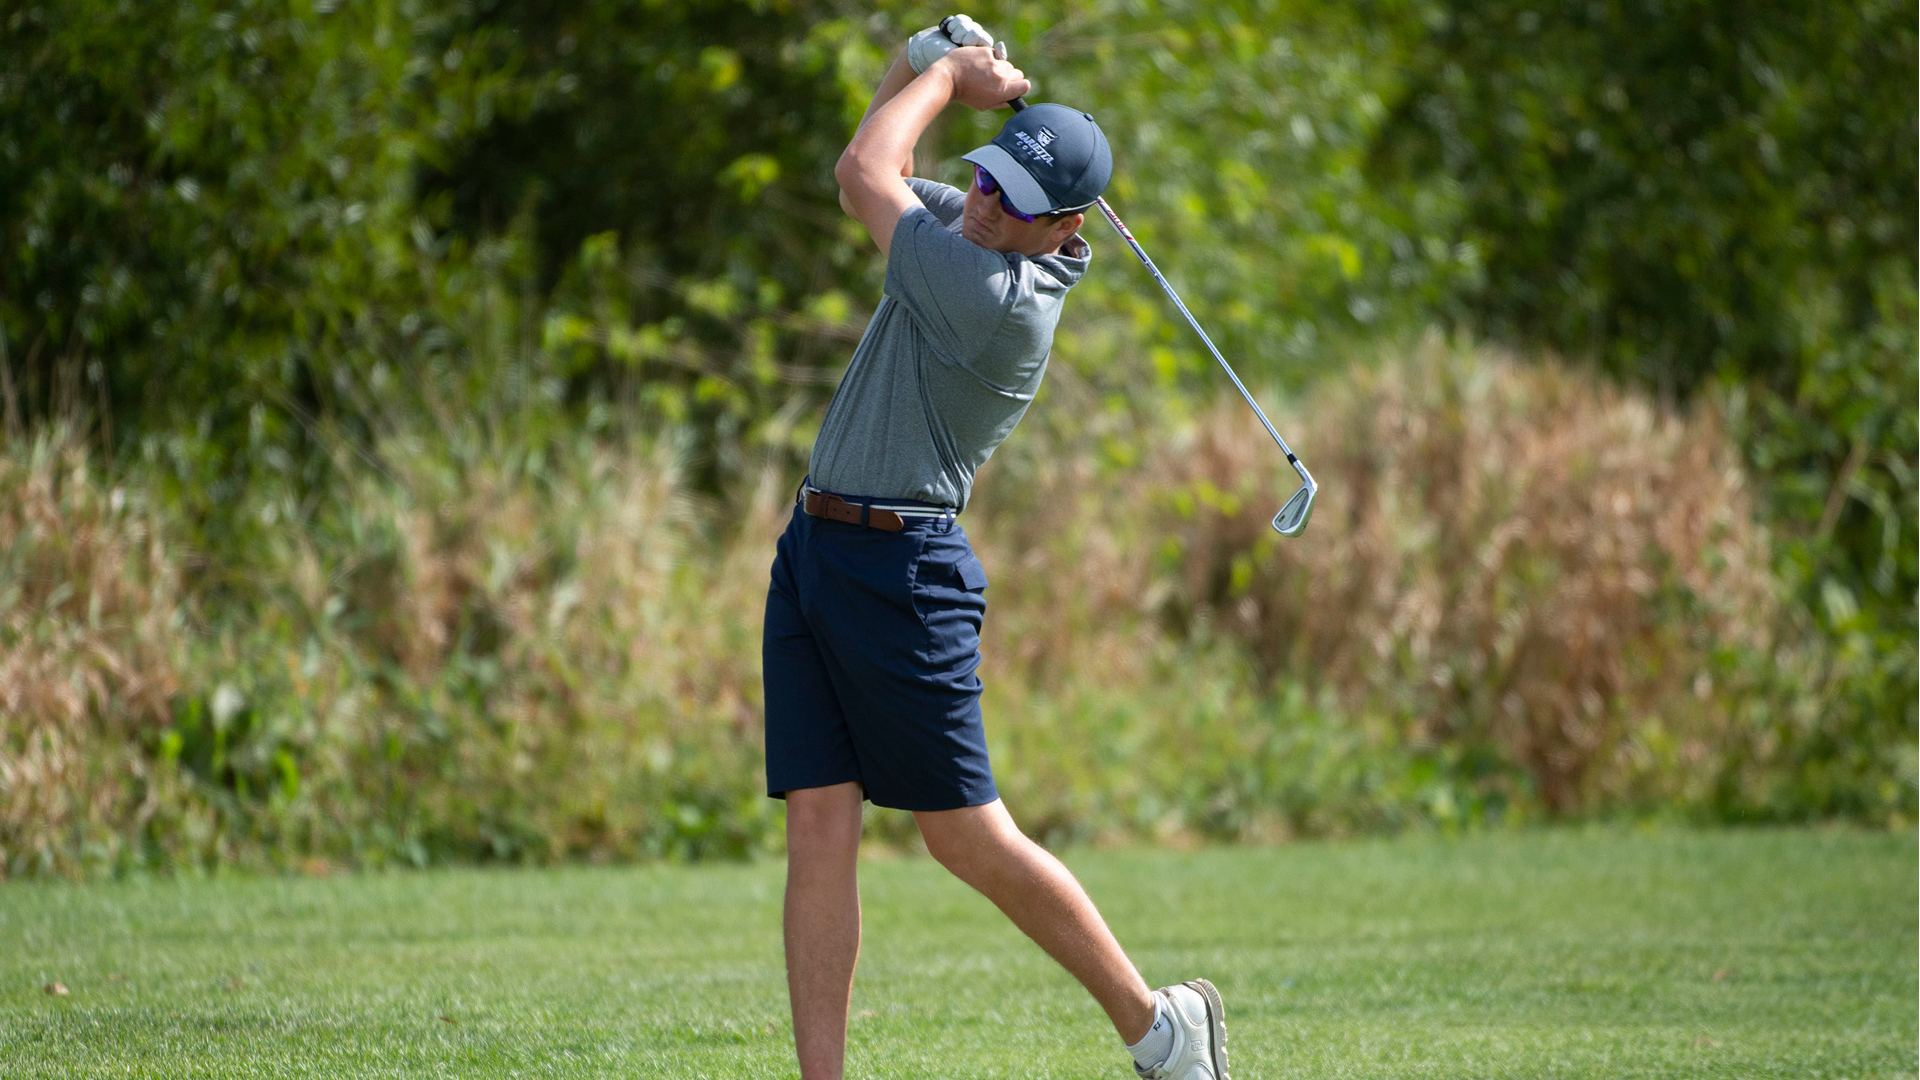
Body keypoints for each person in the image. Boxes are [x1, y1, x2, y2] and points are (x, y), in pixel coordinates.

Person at [760, 15, 1229, 1080]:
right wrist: (919, 61)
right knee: (820, 825)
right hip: (820, 551)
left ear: (1064, 229)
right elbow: (873, 164)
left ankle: (1159, 1029)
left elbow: (869, 171)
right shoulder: (974, 232)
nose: (978, 201)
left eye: (1010, 200)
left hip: (905, 574)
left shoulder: (993, 297)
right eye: (983, 180)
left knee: (964, 835)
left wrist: (950, 75)